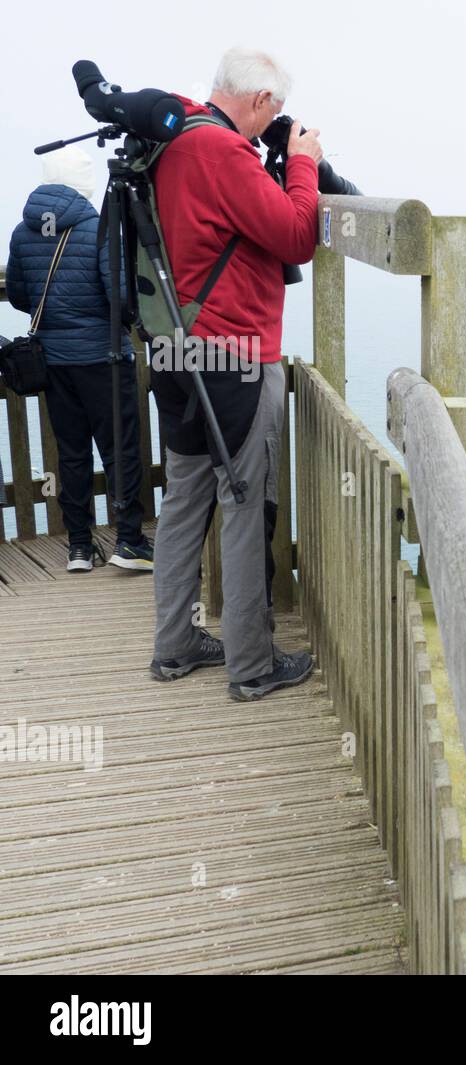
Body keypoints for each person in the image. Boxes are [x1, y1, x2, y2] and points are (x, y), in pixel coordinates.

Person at [148, 47, 320, 701]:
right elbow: (297, 234)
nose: (275, 122)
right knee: (244, 506)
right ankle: (251, 665)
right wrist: (301, 162)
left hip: (175, 354)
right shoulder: (223, 154)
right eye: (273, 110)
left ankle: (175, 643)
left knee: (184, 502)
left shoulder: (175, 139)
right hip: (233, 359)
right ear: (256, 103)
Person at [5, 146, 152, 572]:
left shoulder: (23, 231)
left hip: (53, 361)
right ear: (85, 184)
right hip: (103, 360)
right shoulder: (99, 228)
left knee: (71, 452)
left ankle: (80, 548)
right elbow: (120, 299)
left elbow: (18, 295)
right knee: (119, 449)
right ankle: (128, 541)